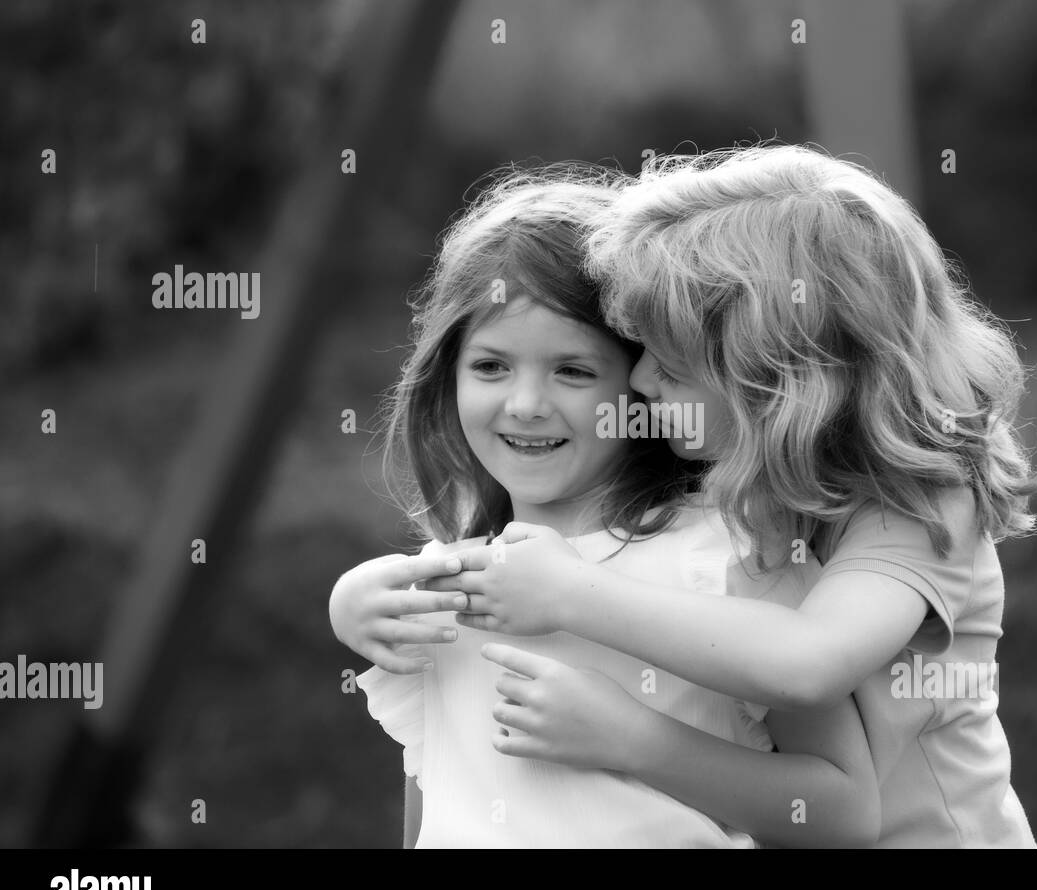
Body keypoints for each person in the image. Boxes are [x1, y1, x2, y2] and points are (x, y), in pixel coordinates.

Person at [429, 145, 1037, 847]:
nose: (640, 383)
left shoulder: (919, 501)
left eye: (671, 360)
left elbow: (807, 661)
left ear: (773, 376)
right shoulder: (753, 489)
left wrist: (575, 602)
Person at [329, 166, 880, 848]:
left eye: (574, 370)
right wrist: (350, 598)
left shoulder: (734, 554)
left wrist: (635, 740)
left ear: (649, 380)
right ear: (447, 379)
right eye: (491, 366)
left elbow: (844, 816)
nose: (526, 404)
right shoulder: (442, 591)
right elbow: (438, 802)